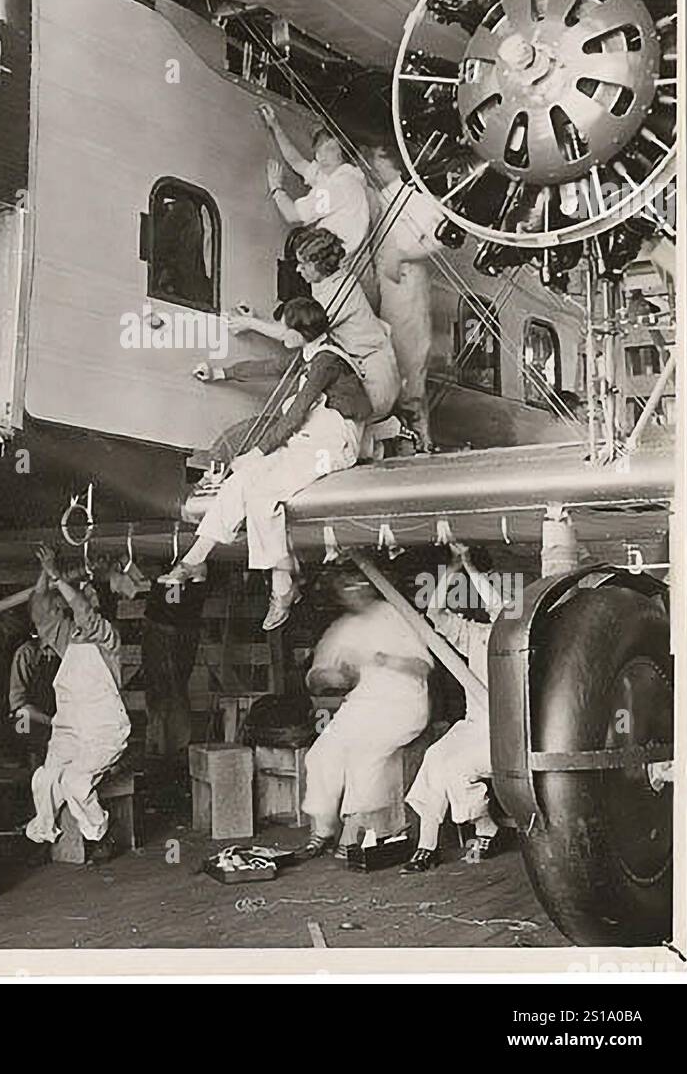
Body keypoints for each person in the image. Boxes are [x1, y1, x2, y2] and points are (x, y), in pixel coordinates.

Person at [161, 296, 372, 631]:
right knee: (239, 482)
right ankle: (195, 558)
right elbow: (267, 368)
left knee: (263, 494)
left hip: (332, 446)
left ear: (299, 332)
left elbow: (295, 413)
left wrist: (258, 452)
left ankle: (283, 586)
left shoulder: (327, 361)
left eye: (284, 326)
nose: (279, 332)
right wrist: (220, 372)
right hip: (306, 442)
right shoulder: (309, 355)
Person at [296, 570, 432, 865]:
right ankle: (322, 830)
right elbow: (314, 679)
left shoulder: (395, 613)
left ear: (368, 586)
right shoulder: (343, 628)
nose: (353, 592)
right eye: (345, 588)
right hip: (362, 703)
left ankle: (352, 829)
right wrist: (335, 675)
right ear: (340, 595)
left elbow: (424, 666)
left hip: (403, 704)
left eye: (357, 585)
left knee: (365, 755)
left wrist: (385, 659)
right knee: (321, 754)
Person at [229, 226, 400, 423]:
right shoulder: (327, 282)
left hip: (375, 382)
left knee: (313, 422)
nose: (297, 269)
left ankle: (386, 434)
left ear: (320, 265)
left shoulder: (338, 294)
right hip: (367, 368)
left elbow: (293, 334)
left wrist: (249, 323)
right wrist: (256, 320)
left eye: (303, 264)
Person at [402, 546, 505, 872]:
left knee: (456, 767)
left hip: (507, 733)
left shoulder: (515, 635)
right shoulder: (474, 635)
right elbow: (436, 612)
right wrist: (453, 568)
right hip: (474, 726)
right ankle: (428, 846)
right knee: (434, 757)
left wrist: (473, 570)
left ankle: (486, 827)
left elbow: (501, 610)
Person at [23, 546, 131, 859]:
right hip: (70, 728)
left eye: (91, 597)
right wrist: (45, 572)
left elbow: (84, 611)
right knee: (44, 778)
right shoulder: (68, 637)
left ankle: (101, 834)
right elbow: (39, 610)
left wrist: (57, 575)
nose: (84, 601)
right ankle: (41, 833)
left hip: (104, 731)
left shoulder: (108, 637)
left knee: (75, 781)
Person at [366, 143, 444, 450]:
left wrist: (405, 255)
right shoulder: (383, 196)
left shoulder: (419, 198)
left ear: (389, 161)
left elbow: (444, 238)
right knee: (391, 357)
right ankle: (400, 435)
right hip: (387, 287)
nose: (371, 165)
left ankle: (422, 438)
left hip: (408, 283)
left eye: (374, 158)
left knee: (410, 359)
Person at [258, 104, 370, 264]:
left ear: (344, 153)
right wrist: (275, 127)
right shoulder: (340, 176)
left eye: (330, 149)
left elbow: (293, 214)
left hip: (334, 265)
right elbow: (298, 163)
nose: (321, 156)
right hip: (337, 261)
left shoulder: (338, 186)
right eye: (319, 150)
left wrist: (276, 188)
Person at [142, 578, 207, 808]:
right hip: (177, 628)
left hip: (170, 629)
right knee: (170, 692)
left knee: (166, 693)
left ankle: (176, 578)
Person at [9, 631, 61, 770]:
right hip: (34, 720)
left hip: (63, 724)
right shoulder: (27, 653)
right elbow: (19, 704)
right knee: (22, 724)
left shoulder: (70, 653)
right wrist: (53, 722)